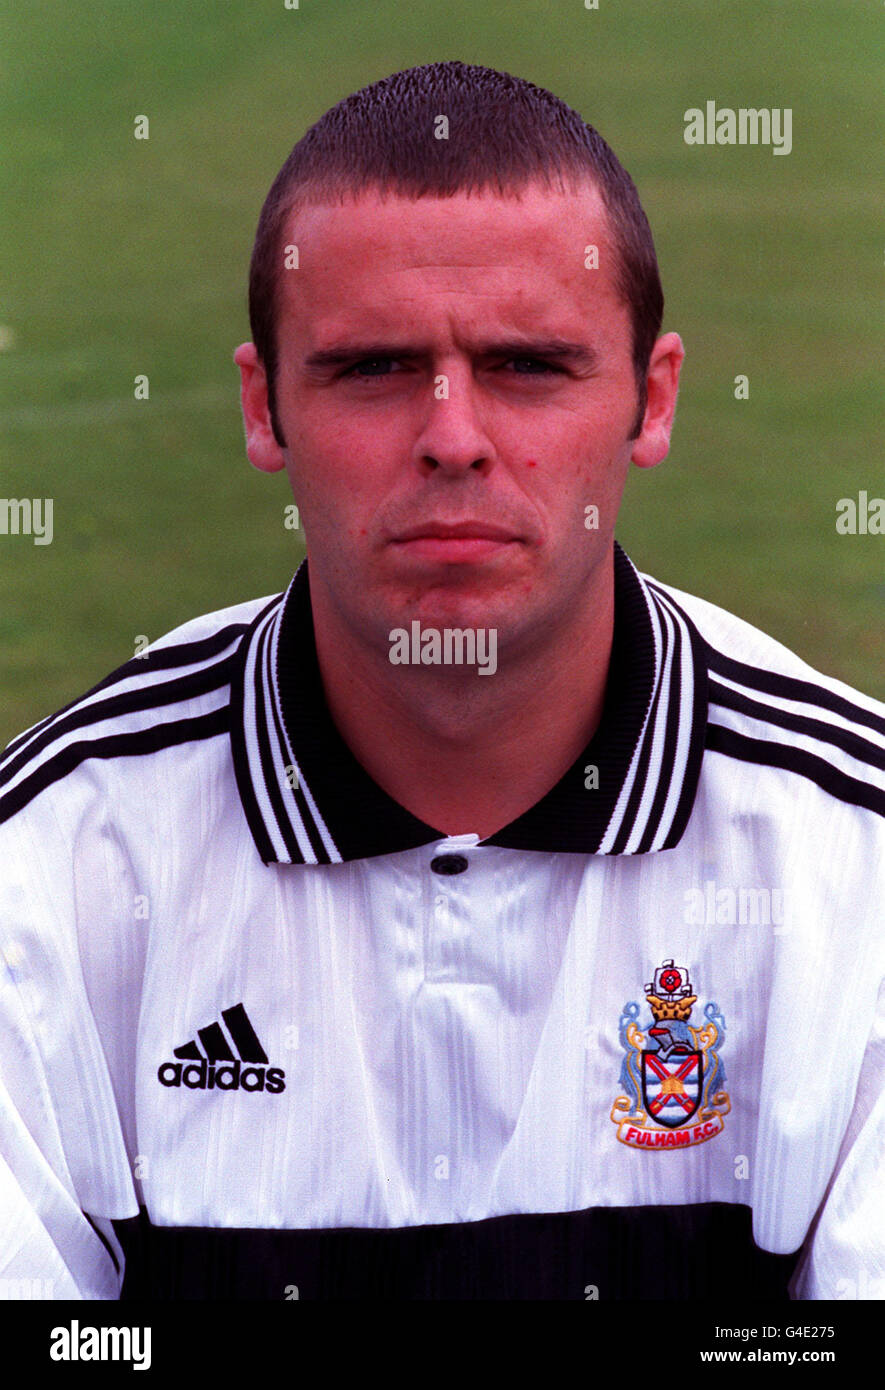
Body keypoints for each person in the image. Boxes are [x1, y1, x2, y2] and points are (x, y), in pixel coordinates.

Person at [0, 61, 882, 1302]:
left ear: (652, 398)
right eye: (371, 369)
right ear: (265, 409)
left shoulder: (853, 859)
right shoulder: (49, 869)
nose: (454, 435)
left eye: (528, 364)